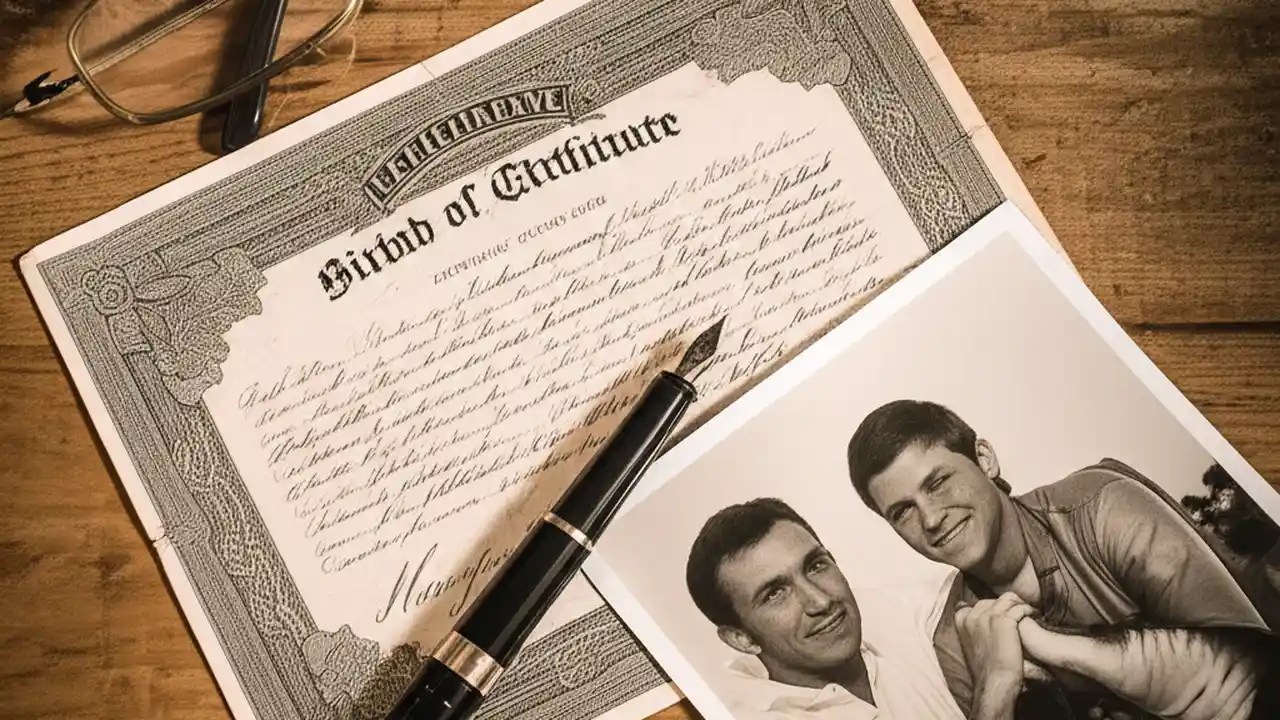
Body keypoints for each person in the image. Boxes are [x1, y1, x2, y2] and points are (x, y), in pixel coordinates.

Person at [844, 399, 1279, 720]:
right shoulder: (957, 638)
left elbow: (1247, 678)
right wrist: (995, 685)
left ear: (984, 459)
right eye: (903, 512)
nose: (932, 518)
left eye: (938, 483)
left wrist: (1047, 647)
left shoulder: (1101, 507)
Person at [684, 497, 967, 719]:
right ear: (741, 639)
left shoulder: (901, 619)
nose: (821, 601)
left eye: (816, 566)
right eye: (774, 594)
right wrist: (996, 689)